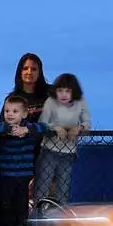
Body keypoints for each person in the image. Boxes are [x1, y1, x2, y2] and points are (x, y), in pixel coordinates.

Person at [0, 95, 47, 226]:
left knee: (21, 207)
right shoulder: (2, 128)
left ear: (24, 114)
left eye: (15, 111)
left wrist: (26, 130)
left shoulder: (28, 128)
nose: (10, 114)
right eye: (7, 111)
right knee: (5, 208)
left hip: (23, 177)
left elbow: (45, 127)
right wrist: (8, 130)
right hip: (6, 176)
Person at [36, 72, 90, 204]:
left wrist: (79, 128)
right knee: (42, 186)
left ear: (74, 91)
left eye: (67, 91)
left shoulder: (80, 102)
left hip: (69, 153)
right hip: (49, 150)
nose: (63, 94)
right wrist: (55, 127)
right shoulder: (50, 101)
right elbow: (42, 123)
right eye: (60, 90)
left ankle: (61, 219)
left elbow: (87, 124)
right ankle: (38, 217)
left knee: (63, 189)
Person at [9, 54, 49, 125]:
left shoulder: (51, 93)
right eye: (25, 68)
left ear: (39, 73)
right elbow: (4, 125)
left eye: (33, 69)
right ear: (20, 72)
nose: (29, 72)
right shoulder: (12, 98)